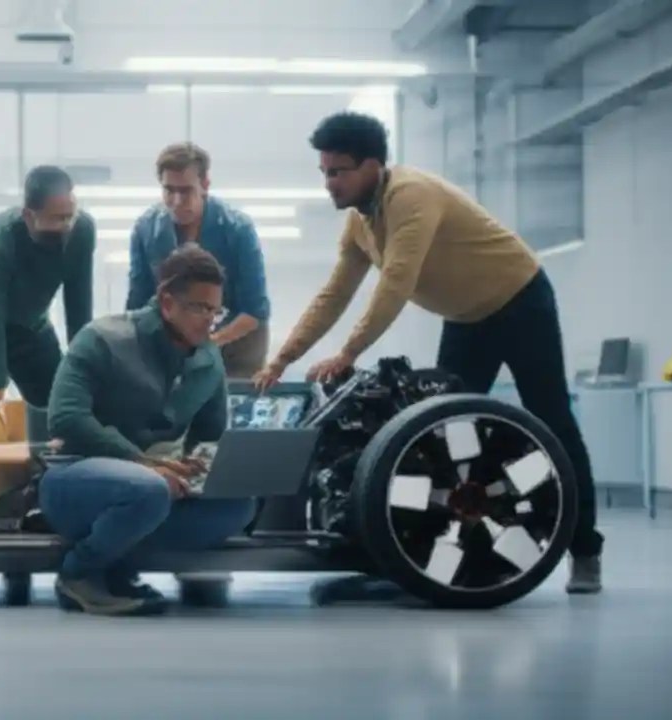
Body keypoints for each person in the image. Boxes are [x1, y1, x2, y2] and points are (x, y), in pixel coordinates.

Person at [253, 111, 603, 594]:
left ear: (372, 166)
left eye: (338, 172)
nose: (329, 184)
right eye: (324, 173)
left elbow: (396, 282)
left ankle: (585, 549)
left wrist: (348, 353)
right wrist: (282, 358)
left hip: (520, 299)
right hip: (467, 319)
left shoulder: (410, 197)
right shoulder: (359, 221)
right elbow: (333, 295)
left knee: (552, 418)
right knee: (434, 434)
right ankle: (416, 552)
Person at [41, 245, 257, 616]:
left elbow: (209, 435)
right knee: (147, 489)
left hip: (150, 486)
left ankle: (120, 565)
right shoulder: (103, 338)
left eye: (215, 310)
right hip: (74, 478)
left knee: (239, 506)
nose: (210, 321)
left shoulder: (209, 360)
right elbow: (66, 418)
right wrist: (142, 462)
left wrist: (203, 472)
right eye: (200, 308)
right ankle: (79, 575)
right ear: (167, 302)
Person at [0, 165, 96, 444]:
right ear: (28, 215)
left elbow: (79, 301)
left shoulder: (82, 231)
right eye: (55, 219)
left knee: (65, 412)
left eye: (69, 217)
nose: (65, 227)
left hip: (30, 328)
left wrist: (84, 361)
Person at [127, 142, 271, 378]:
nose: (176, 200)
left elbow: (255, 310)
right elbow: (137, 304)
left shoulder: (238, 229)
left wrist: (205, 344)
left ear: (205, 185)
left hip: (237, 348)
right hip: (174, 349)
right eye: (168, 190)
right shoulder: (146, 229)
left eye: (185, 191)